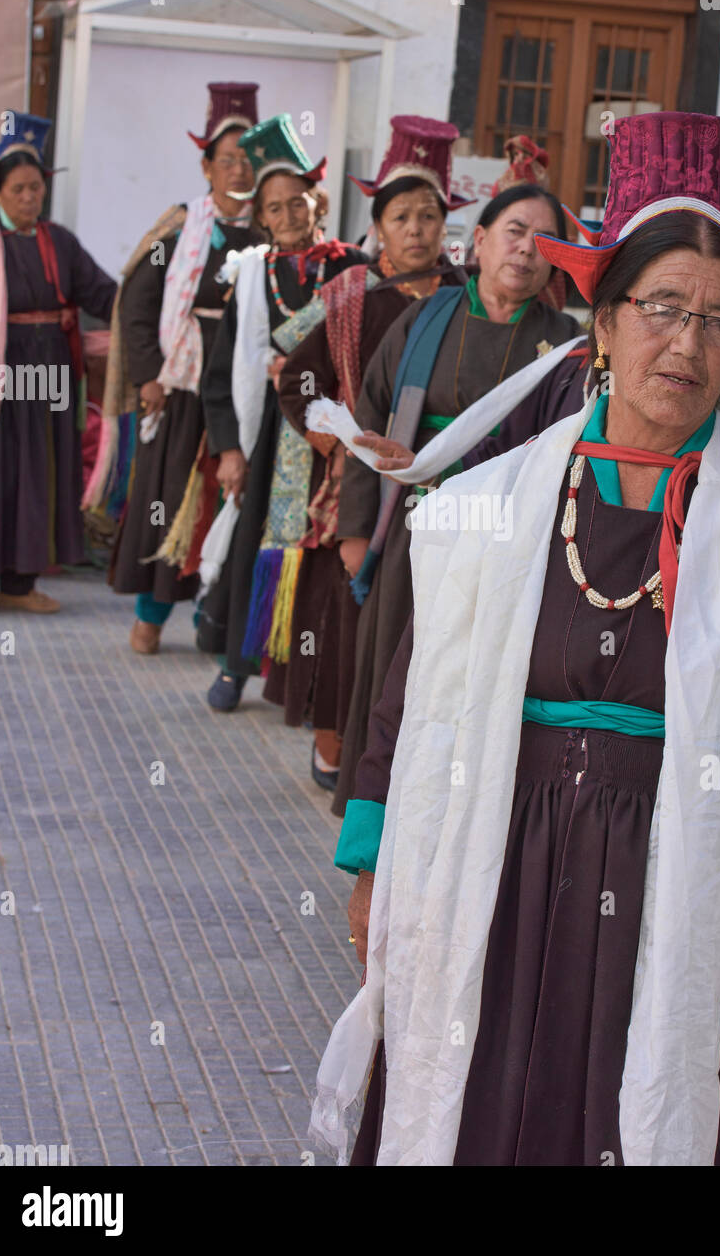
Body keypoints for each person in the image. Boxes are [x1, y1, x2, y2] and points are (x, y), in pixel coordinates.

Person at [312, 111, 720, 1167]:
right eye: (662, 308)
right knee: (487, 1105)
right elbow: (415, 690)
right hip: (503, 870)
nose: (689, 343)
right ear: (600, 319)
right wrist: (373, 859)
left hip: (690, 881)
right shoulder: (508, 493)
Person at [330, 178, 580, 814]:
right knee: (395, 665)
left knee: (471, 679)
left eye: (544, 239)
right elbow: (371, 417)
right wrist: (356, 529)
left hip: (502, 538)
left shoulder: (568, 344)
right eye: (515, 231)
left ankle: (451, 814)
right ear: (482, 240)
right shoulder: (426, 317)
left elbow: (563, 449)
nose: (526, 249)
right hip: (411, 523)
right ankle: (377, 819)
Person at [270, 115, 472, 788]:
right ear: (378, 228)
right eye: (399, 217)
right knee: (346, 622)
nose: (415, 229)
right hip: (356, 489)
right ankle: (333, 740)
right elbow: (297, 376)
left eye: (426, 216)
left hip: (444, 489)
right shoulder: (352, 297)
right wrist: (331, 431)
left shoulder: (466, 298)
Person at [195, 113, 365, 709]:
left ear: (317, 201)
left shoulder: (349, 269)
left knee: (318, 550)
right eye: (275, 208)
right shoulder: (251, 276)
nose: (289, 216)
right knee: (254, 545)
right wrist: (230, 451)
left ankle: (297, 675)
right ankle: (235, 662)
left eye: (298, 203)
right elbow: (218, 376)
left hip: (330, 430)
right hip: (266, 431)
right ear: (260, 218)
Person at [108, 81, 262, 654]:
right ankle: (151, 613)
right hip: (181, 389)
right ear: (206, 166)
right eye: (228, 160)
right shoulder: (178, 229)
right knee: (169, 500)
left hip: (243, 390)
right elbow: (140, 300)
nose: (240, 170)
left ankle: (211, 620)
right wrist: (149, 374)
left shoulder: (268, 230)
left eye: (249, 160)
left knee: (231, 501)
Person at [0, 112, 116, 613]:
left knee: (38, 472)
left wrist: (148, 300)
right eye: (19, 189)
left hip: (50, 369)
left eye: (37, 188)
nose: (30, 197)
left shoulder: (61, 242)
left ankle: (18, 583)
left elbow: (102, 293)